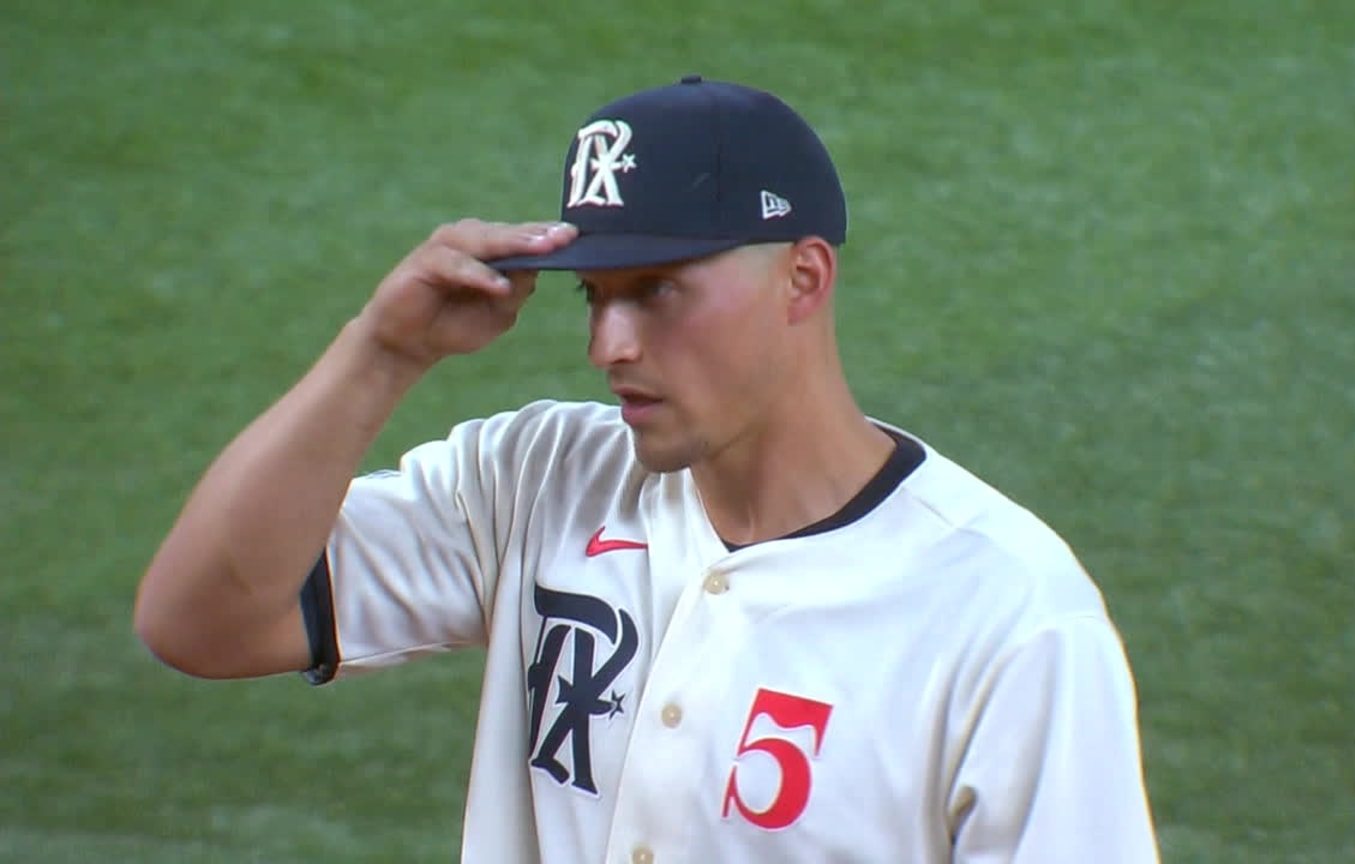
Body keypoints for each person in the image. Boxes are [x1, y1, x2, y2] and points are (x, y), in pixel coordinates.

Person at [135, 76, 1160, 863]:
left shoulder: (1008, 617)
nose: (609, 345)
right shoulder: (537, 476)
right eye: (593, 297)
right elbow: (199, 620)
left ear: (803, 277)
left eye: (658, 290)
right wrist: (382, 350)